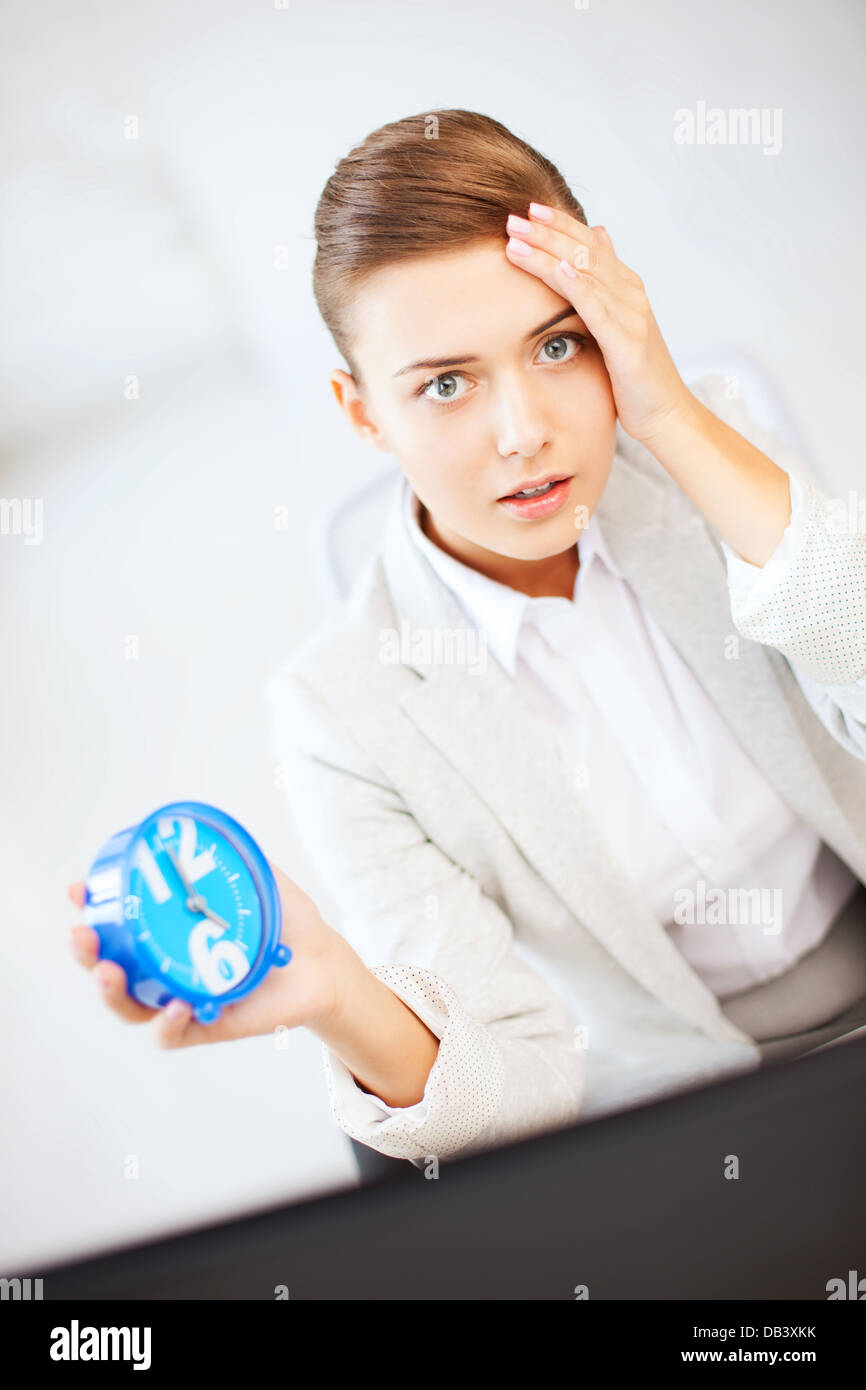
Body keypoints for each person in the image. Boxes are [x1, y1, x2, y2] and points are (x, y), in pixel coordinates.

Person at [68, 108, 866, 1175]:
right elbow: (518, 1090)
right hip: (685, 1121)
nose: (524, 431)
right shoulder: (339, 716)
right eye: (445, 384)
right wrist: (340, 993)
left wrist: (673, 416)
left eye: (557, 344)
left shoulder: (706, 464)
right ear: (364, 415)